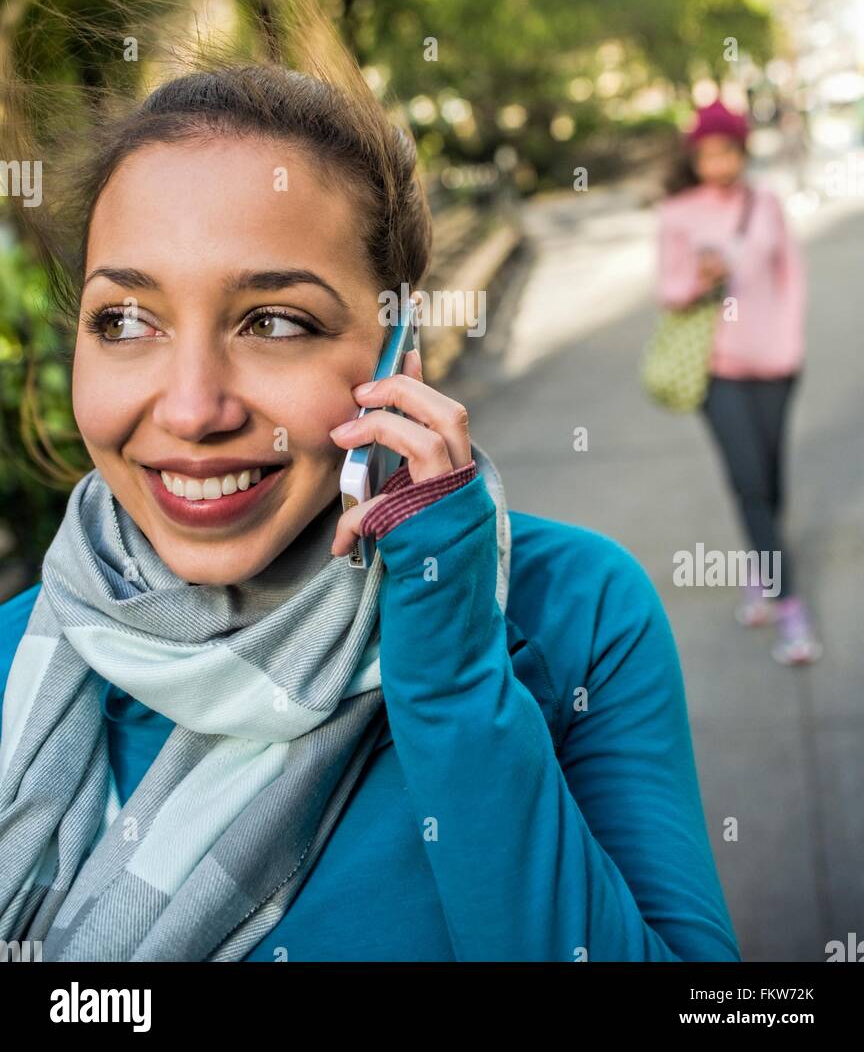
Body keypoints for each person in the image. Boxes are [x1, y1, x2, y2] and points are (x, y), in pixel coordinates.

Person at [0, 52, 740, 962]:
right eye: (125, 321)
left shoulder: (575, 614)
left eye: (275, 322)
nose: (193, 409)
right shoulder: (18, 655)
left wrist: (455, 676)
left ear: (397, 357)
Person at [657, 99, 821, 666]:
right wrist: (698, 280)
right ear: (695, 157)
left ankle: (759, 569)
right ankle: (791, 608)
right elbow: (667, 290)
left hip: (777, 363)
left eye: (727, 150)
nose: (718, 163)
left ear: (742, 150)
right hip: (718, 371)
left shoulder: (766, 203)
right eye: (707, 154)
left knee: (772, 482)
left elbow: (791, 274)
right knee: (750, 484)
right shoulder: (678, 213)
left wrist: (791, 340)